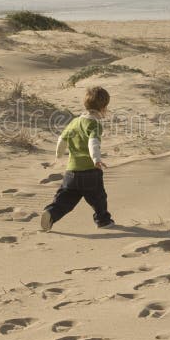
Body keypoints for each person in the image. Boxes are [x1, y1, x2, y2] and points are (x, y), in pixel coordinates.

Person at [40, 86, 115, 231]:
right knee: (98, 198)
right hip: (90, 171)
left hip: (71, 172)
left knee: (66, 199)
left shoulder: (74, 122)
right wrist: (96, 159)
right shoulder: (94, 124)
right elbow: (93, 142)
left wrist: (58, 154)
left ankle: (51, 213)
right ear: (104, 107)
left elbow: (62, 139)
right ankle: (103, 221)